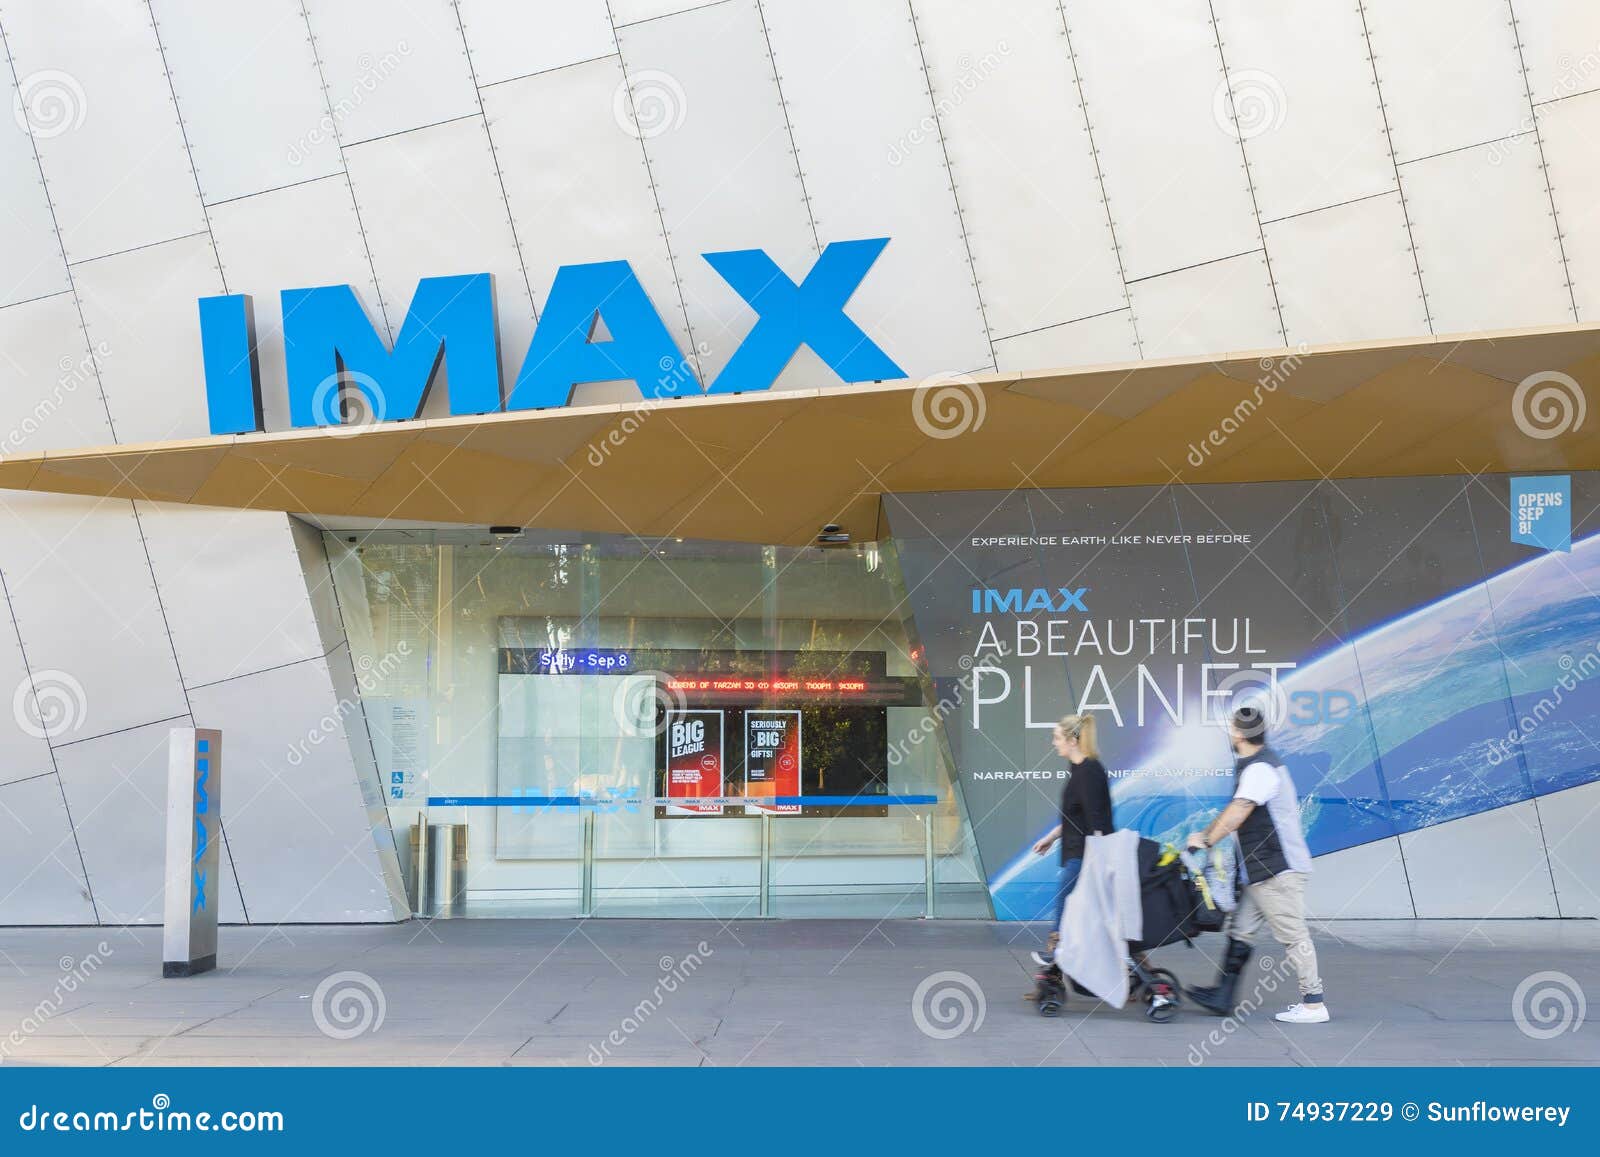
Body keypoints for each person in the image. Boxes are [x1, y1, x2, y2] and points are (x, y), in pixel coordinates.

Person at [1185, 705, 1328, 1023]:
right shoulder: (1256, 764)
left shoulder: (1260, 770)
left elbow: (1238, 812)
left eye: (1230, 728)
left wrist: (1205, 839)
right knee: (1241, 930)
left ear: (1238, 733)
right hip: (1260, 870)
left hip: (1278, 870)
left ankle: (1314, 1003)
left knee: (1294, 936)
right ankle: (1222, 995)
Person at [1029, 713, 1113, 967]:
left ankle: (1056, 954)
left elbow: (1097, 820)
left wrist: (1099, 859)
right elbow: (1075, 817)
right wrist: (1051, 838)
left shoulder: (1088, 772)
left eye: (1057, 738)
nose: (1054, 743)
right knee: (1093, 914)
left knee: (1066, 905)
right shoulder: (1080, 770)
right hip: (1078, 852)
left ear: (1072, 740)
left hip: (1085, 855)